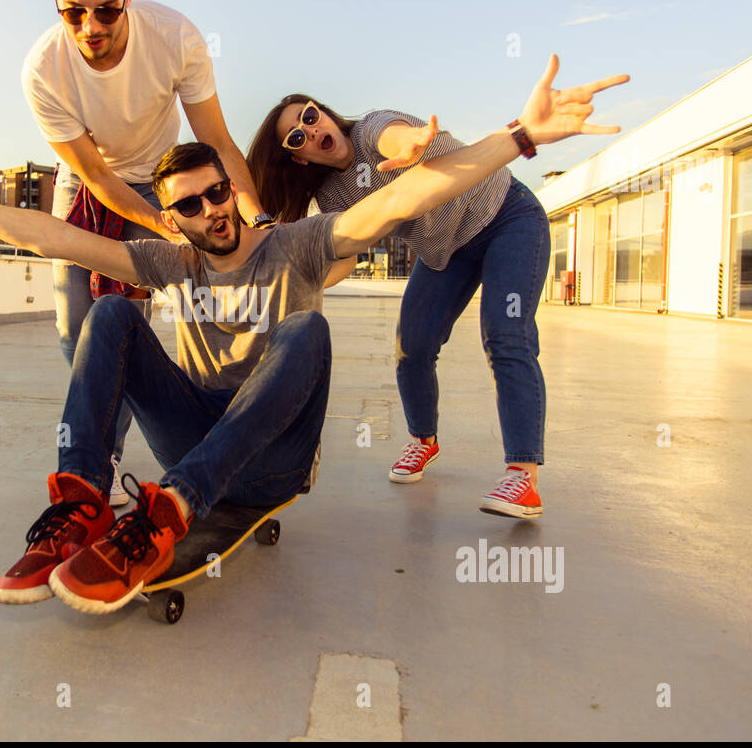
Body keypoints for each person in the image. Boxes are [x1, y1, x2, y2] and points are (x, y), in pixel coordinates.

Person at [0, 57, 622, 612]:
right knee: (110, 311)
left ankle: (172, 509)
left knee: (305, 334)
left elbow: (410, 195)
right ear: (174, 220)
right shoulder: (167, 260)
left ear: (232, 191)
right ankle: (81, 502)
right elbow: (54, 238)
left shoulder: (296, 243)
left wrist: (520, 136)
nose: (211, 210)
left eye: (216, 193)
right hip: (195, 435)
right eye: (191, 206)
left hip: (272, 460)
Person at [246, 56, 629, 519]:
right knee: (413, 344)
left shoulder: (371, 129)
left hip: (507, 217)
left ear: (323, 111)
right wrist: (295, 283)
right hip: (447, 252)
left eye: (310, 115)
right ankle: (423, 440)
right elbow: (346, 255)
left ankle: (522, 475)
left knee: (506, 336)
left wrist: (410, 143)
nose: (310, 130)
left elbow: (394, 134)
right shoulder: (333, 197)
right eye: (297, 136)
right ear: (298, 156)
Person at [21, 0, 272, 504]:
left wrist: (257, 220)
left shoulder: (176, 38)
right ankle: (96, 460)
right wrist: (158, 223)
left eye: (107, 11)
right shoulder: (42, 70)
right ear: (55, 0)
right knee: (74, 329)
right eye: (74, 13)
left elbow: (219, 143)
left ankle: (112, 465)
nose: (91, 28)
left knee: (122, 318)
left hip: (163, 180)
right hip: (90, 183)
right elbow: (98, 176)